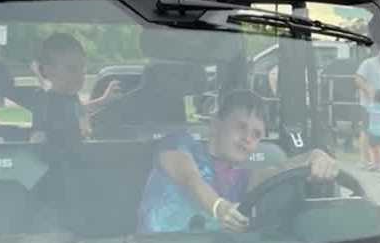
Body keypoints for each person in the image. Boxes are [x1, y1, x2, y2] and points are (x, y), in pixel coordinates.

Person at [137, 89, 339, 233]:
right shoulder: (178, 144)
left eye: (256, 134)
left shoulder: (245, 176)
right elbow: (190, 179)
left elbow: (282, 169)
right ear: (216, 125)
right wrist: (219, 207)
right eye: (241, 127)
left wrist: (315, 156)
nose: (248, 138)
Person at [8, 33, 121, 147]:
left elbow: (79, 110)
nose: (79, 75)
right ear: (49, 71)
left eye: (82, 68)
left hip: (75, 153)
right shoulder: (44, 99)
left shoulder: (71, 97)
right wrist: (39, 147)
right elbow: (38, 134)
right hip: (56, 157)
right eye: (72, 69)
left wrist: (103, 100)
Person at [354, 50, 380, 168]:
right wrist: (369, 91)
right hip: (369, 105)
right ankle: (363, 160)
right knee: (366, 131)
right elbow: (358, 79)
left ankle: (376, 160)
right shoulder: (368, 63)